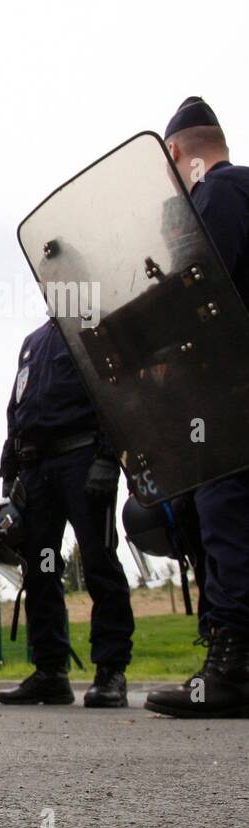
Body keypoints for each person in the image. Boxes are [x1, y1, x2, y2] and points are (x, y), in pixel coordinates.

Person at [147, 97, 249, 718]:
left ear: (176, 154)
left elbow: (197, 298)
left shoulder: (219, 194)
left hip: (233, 398)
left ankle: (234, 666)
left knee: (224, 504)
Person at [0, 315, 134, 707]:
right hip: (36, 470)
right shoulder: (31, 341)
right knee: (40, 569)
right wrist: (10, 473)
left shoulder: (95, 326)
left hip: (84, 459)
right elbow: (15, 409)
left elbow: (116, 390)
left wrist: (109, 457)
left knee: (98, 562)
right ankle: (51, 671)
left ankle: (111, 671)